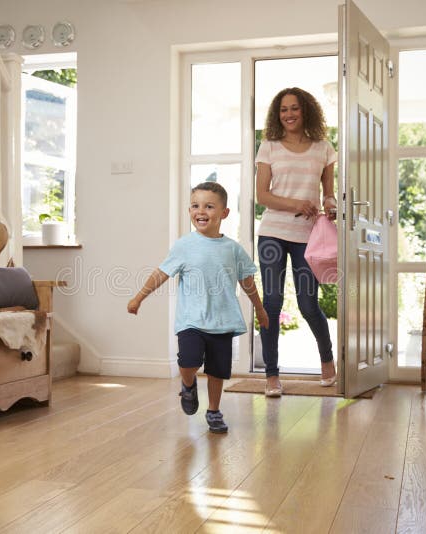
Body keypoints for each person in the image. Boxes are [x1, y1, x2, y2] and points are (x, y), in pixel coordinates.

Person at [127, 181, 269, 433]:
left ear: (224, 213)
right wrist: (139, 297)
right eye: (195, 205)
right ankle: (188, 385)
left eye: (209, 206)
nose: (200, 211)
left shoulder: (233, 249)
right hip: (191, 319)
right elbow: (161, 273)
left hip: (222, 321)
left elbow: (247, 280)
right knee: (188, 361)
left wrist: (259, 308)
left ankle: (214, 410)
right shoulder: (184, 246)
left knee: (217, 371)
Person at [255, 87, 338, 397]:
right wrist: (297, 204)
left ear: (306, 111)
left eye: (294, 109)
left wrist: (329, 204)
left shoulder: (323, 148)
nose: (288, 114)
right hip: (272, 233)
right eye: (283, 110)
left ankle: (327, 362)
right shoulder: (269, 147)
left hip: (307, 238)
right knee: (272, 303)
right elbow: (262, 196)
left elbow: (328, 191)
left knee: (308, 304)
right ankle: (272, 375)